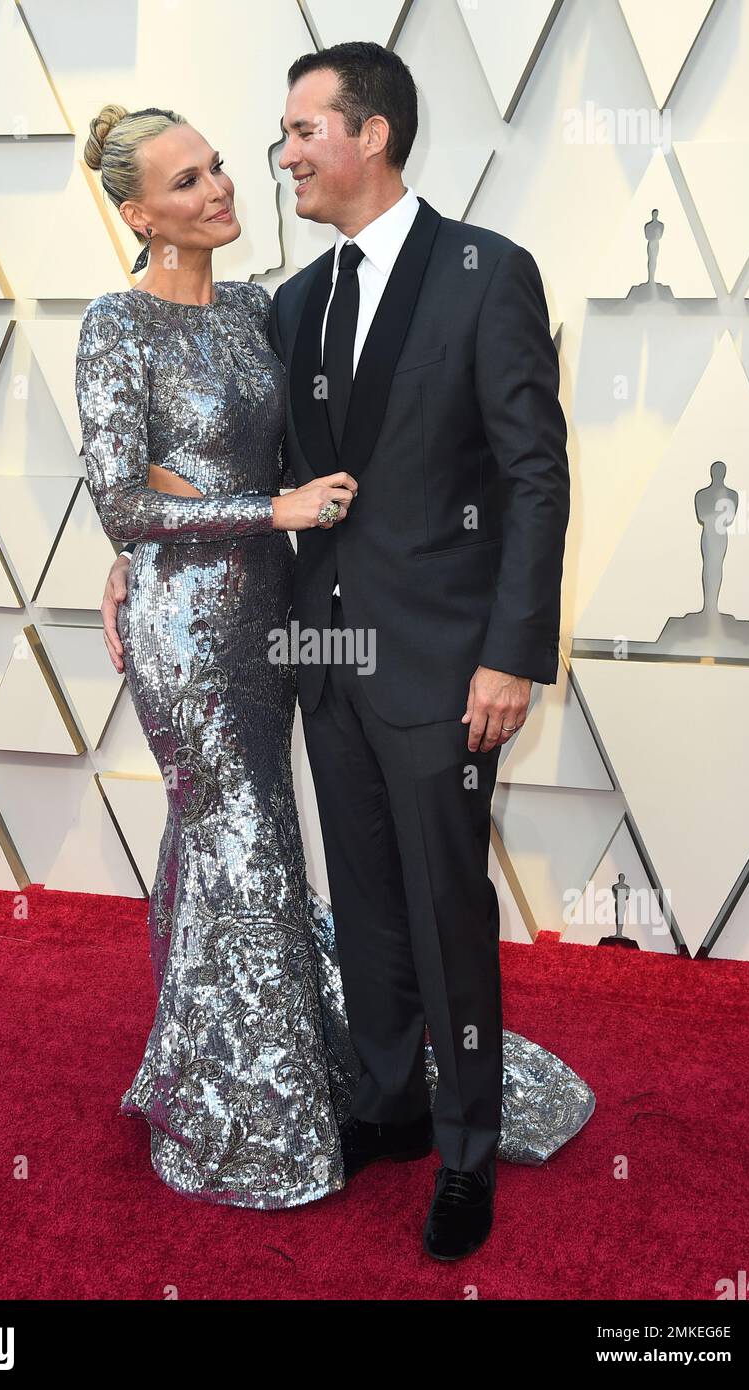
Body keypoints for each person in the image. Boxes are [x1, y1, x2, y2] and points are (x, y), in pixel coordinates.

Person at [83, 62, 593, 1254]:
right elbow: (216, 465)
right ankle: (389, 1103)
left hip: (444, 663)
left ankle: (466, 1155)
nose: (281, 157)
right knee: (364, 906)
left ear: (372, 133)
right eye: (277, 135)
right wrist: (132, 556)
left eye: (303, 131)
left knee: (446, 911)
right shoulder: (293, 301)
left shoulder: (486, 272)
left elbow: (534, 479)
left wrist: (512, 654)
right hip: (315, 654)